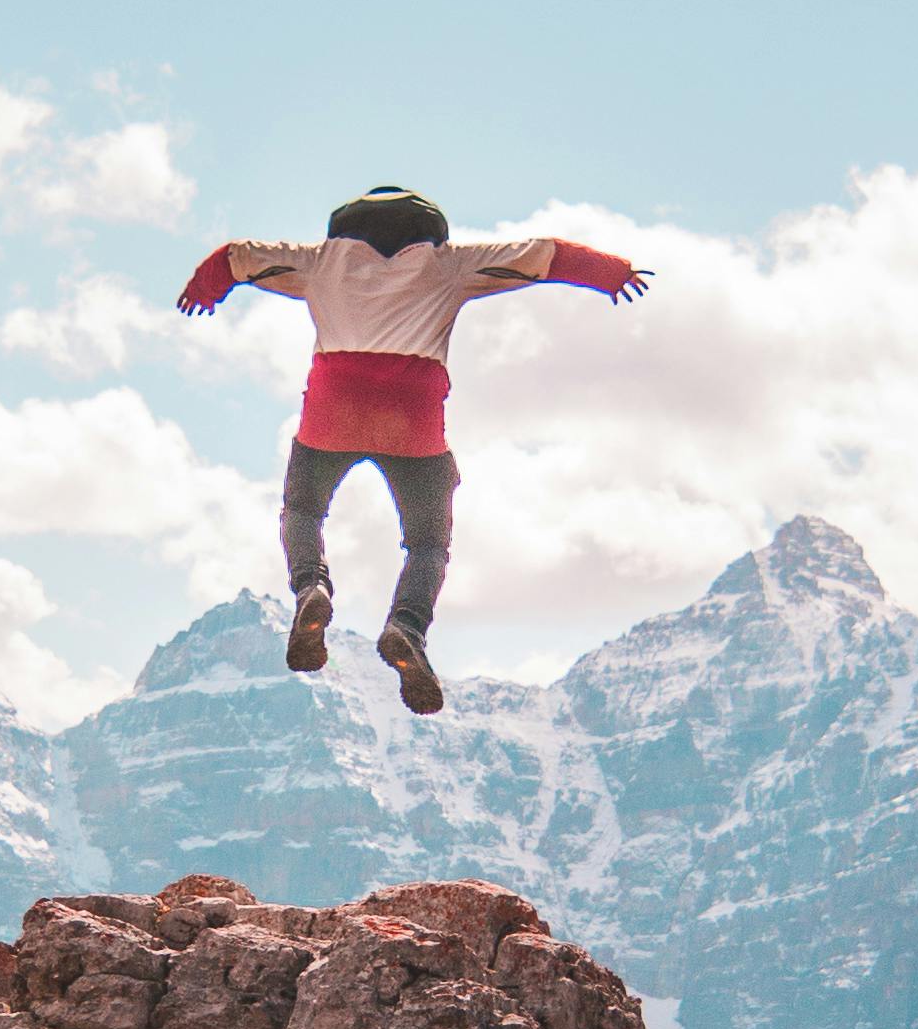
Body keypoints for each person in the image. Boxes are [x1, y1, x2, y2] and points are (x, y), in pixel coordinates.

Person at [173, 185, 649, 717]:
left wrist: (205, 290)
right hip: (412, 414)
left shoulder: (318, 262)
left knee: (303, 509)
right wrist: (614, 272)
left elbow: (236, 257)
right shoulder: (450, 265)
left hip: (335, 406)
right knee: (428, 544)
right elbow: (543, 255)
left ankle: (312, 586)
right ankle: (407, 627)